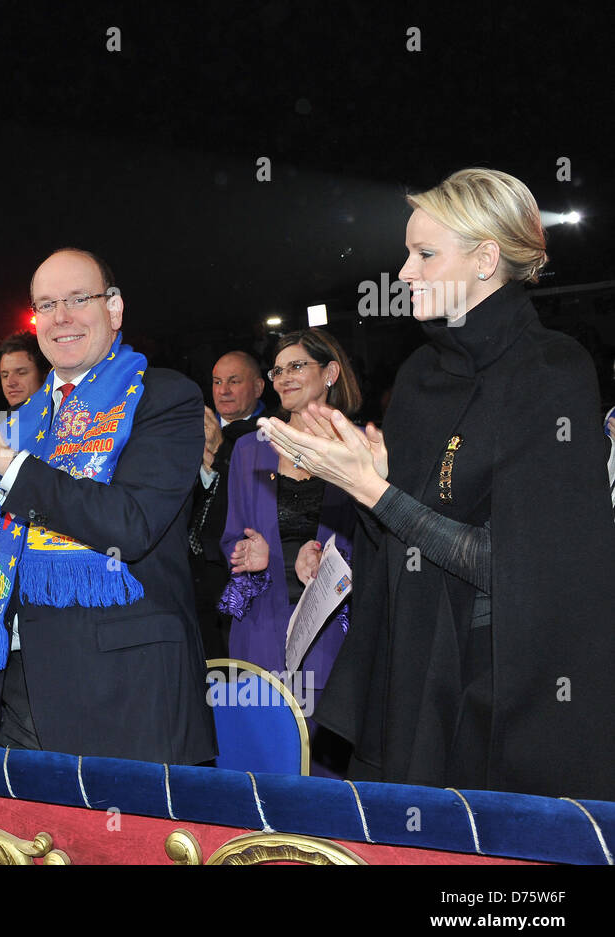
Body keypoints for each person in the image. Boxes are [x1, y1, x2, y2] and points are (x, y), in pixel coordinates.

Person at [260, 168, 615, 799]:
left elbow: (515, 566)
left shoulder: (554, 372)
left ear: (486, 260)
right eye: (407, 252)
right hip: (414, 664)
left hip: (502, 685)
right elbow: (403, 540)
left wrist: (373, 490)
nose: (404, 273)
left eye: (425, 254)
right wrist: (375, 483)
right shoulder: (422, 373)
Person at [0, 248, 215, 764]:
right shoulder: (25, 422)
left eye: (77, 299)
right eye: (46, 304)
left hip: (125, 694)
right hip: (18, 688)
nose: (60, 316)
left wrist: (3, 460)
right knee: (22, 846)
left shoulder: (162, 397)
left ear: (115, 310)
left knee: (123, 847)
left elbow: (129, 526)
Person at [218, 331, 360, 774]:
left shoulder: (356, 449)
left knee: (321, 765)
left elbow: (378, 542)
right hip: (262, 624)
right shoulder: (249, 449)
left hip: (331, 630)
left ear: (331, 373)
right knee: (262, 758)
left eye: (297, 366)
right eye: (278, 370)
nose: (284, 377)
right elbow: (229, 541)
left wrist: (334, 563)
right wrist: (253, 555)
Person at [187, 350, 266, 658]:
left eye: (234, 381)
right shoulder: (191, 431)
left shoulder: (269, 434)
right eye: (218, 382)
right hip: (193, 578)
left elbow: (258, 501)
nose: (223, 390)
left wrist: (220, 454)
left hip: (239, 574)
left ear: (258, 388)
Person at [0, 332, 50, 410]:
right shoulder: (8, 417)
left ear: (45, 376)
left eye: (21, 373)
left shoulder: (64, 417)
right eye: (5, 375)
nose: (10, 383)